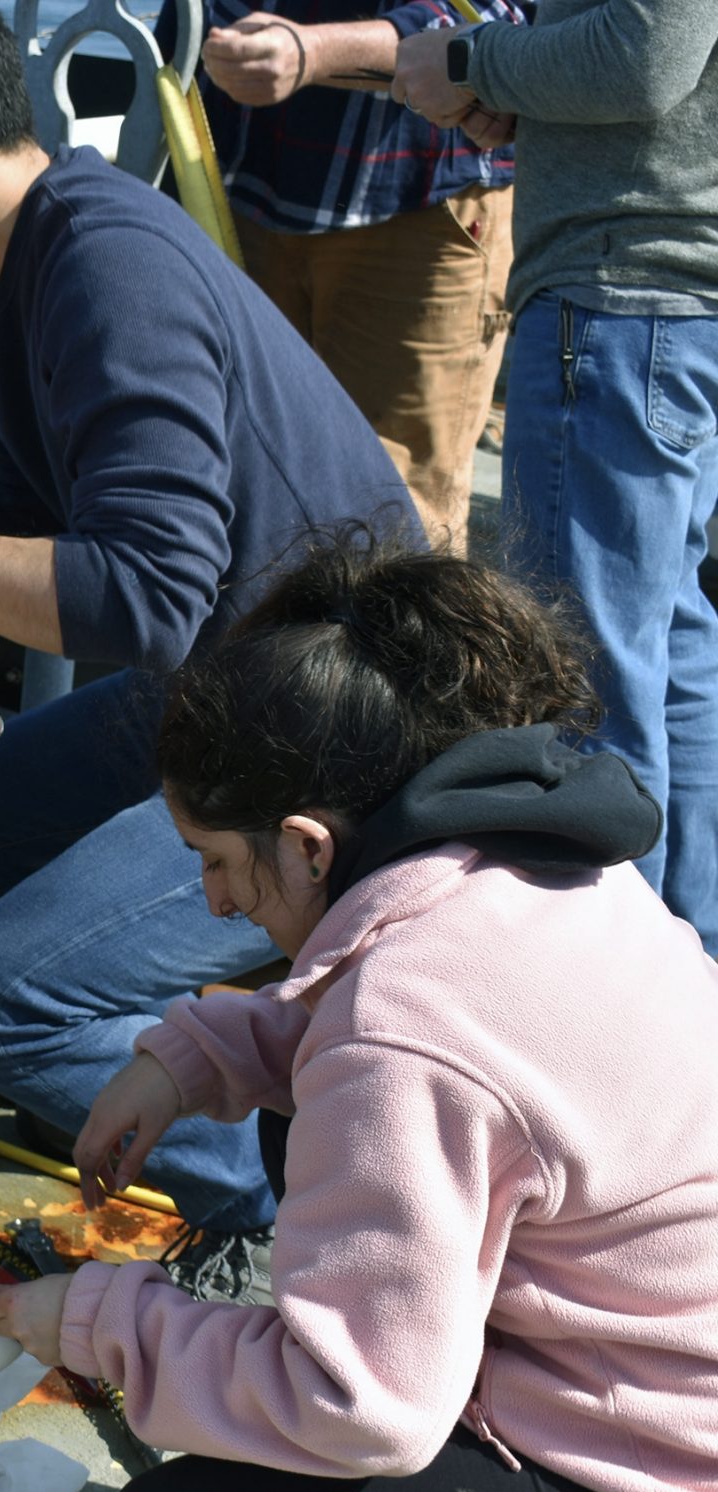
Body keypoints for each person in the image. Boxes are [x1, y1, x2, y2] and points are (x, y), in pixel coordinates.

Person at [0, 0, 422, 1281]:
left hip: (336, 729)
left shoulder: (109, 267)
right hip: (215, 684)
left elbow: (142, 598)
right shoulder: (4, 270)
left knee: (2, 997)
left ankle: (291, 1214)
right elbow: (26, 519)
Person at [0, 531, 718, 1492]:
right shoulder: (537, 857)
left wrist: (100, 1323)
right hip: (671, 1361)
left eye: (215, 861)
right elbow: (467, 1054)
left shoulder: (397, 1035)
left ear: (308, 845)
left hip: (663, 1462)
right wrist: (196, 1058)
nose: (216, 900)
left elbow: (362, 1407)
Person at [391, 2, 718, 955]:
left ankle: (611, 994)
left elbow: (646, 59)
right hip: (664, 299)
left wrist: (472, 62)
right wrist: (512, 81)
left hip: (621, 294)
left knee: (584, 676)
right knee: (669, 658)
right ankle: (682, 973)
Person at [155, 0, 523, 555]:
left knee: (396, 517)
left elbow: (509, 20)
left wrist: (317, 52)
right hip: (233, 180)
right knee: (242, 489)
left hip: (418, 203)